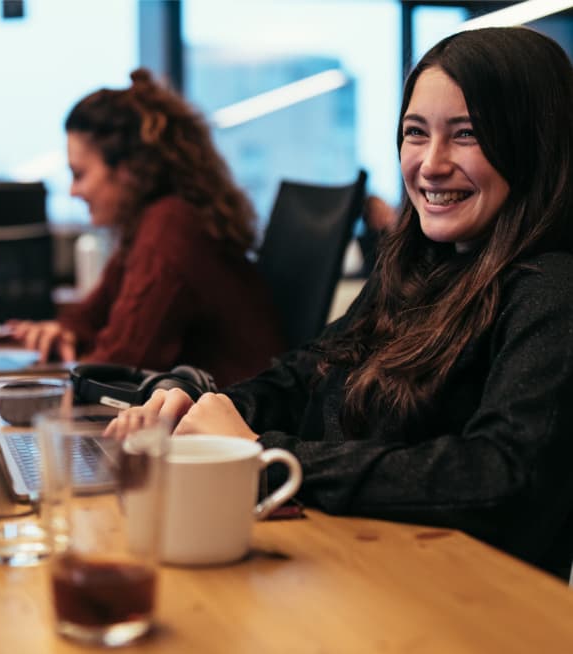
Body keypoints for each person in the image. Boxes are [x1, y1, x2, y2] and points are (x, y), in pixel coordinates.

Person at [107, 27, 573, 578]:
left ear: (532, 144)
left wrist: (268, 457)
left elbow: (500, 480)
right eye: (415, 133)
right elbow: (306, 373)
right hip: (368, 567)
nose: (430, 163)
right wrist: (198, 409)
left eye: (467, 134)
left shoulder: (553, 286)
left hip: (463, 603)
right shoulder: (422, 264)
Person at [8, 69, 286, 387]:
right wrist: (65, 332)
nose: (73, 191)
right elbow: (91, 314)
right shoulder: (151, 223)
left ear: (125, 170)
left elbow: (116, 369)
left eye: (80, 174)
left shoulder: (169, 229)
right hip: (200, 413)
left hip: (230, 421)